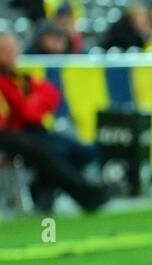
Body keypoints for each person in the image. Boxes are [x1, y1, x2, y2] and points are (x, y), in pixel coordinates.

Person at [0, 32, 106, 212]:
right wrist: (33, 103)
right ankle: (86, 194)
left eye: (14, 48)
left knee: (80, 151)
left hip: (29, 130)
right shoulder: (8, 80)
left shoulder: (20, 77)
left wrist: (32, 104)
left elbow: (52, 95)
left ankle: (44, 192)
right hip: (11, 133)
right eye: (7, 50)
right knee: (45, 151)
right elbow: (24, 110)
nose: (13, 54)